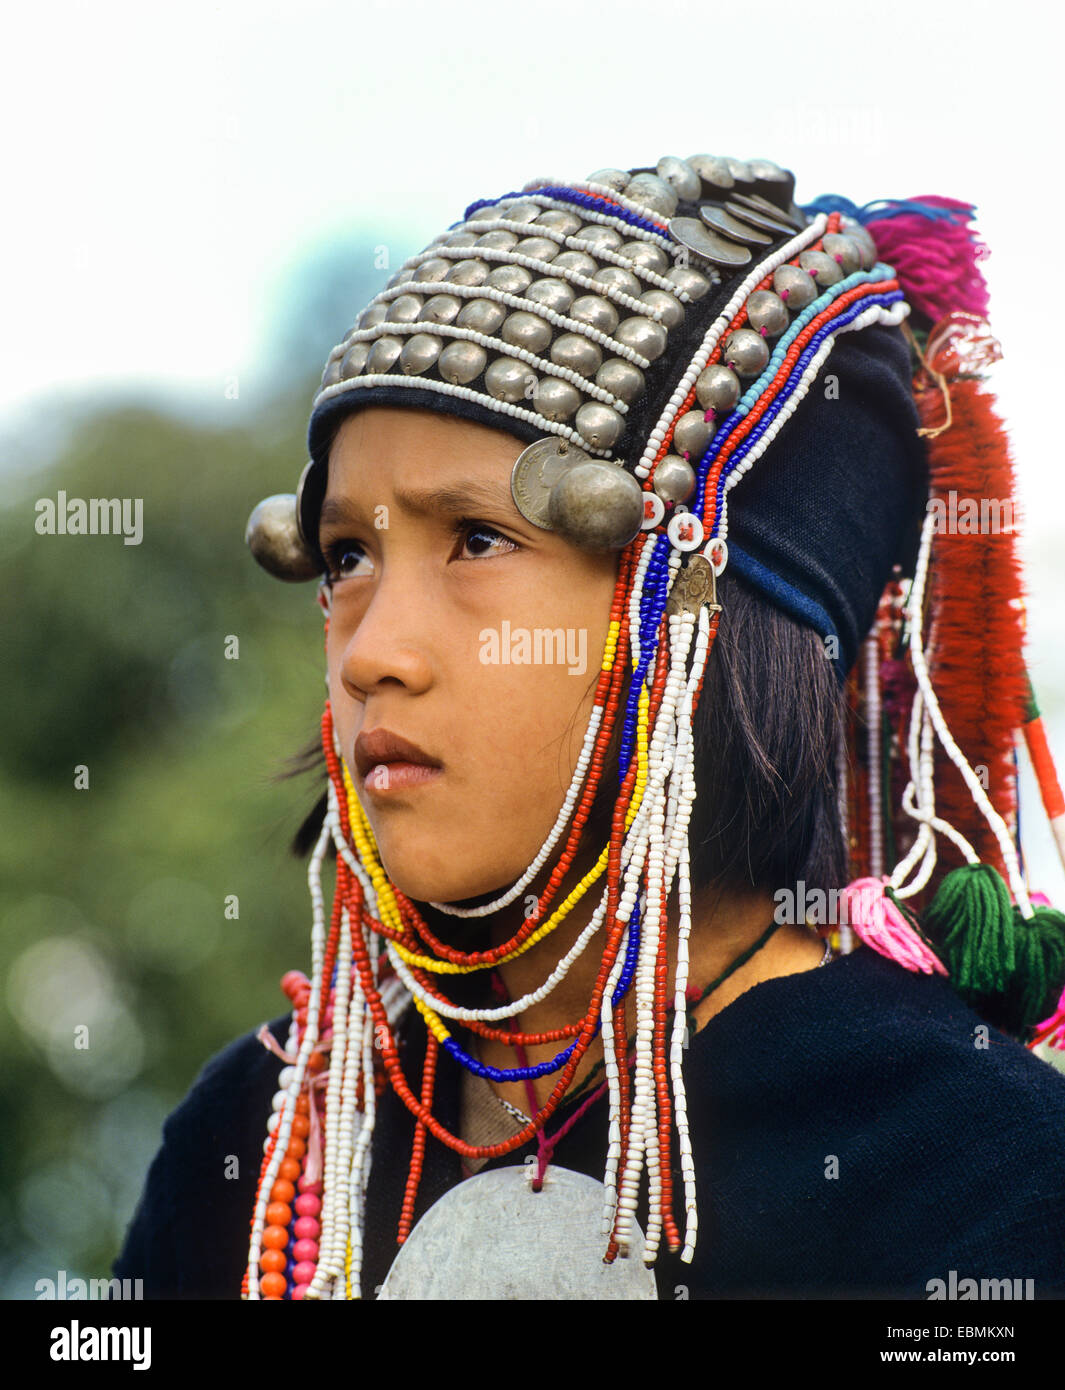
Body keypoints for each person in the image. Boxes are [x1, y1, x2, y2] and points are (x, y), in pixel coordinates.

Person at [113, 152, 1065, 1300]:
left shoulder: (981, 1168)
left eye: (475, 538)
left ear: (700, 622)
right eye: (348, 554)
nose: (371, 652)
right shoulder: (259, 1143)